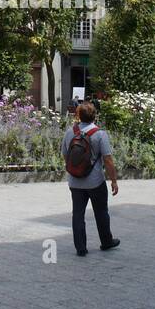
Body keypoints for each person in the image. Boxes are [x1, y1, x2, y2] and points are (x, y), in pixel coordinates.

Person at [61, 100, 120, 257]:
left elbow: (65, 154)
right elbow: (108, 160)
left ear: (78, 115)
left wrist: (75, 169)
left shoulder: (70, 132)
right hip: (95, 182)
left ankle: (81, 248)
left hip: (75, 182)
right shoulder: (100, 134)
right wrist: (113, 180)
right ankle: (106, 241)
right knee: (101, 212)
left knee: (78, 214)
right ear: (95, 116)